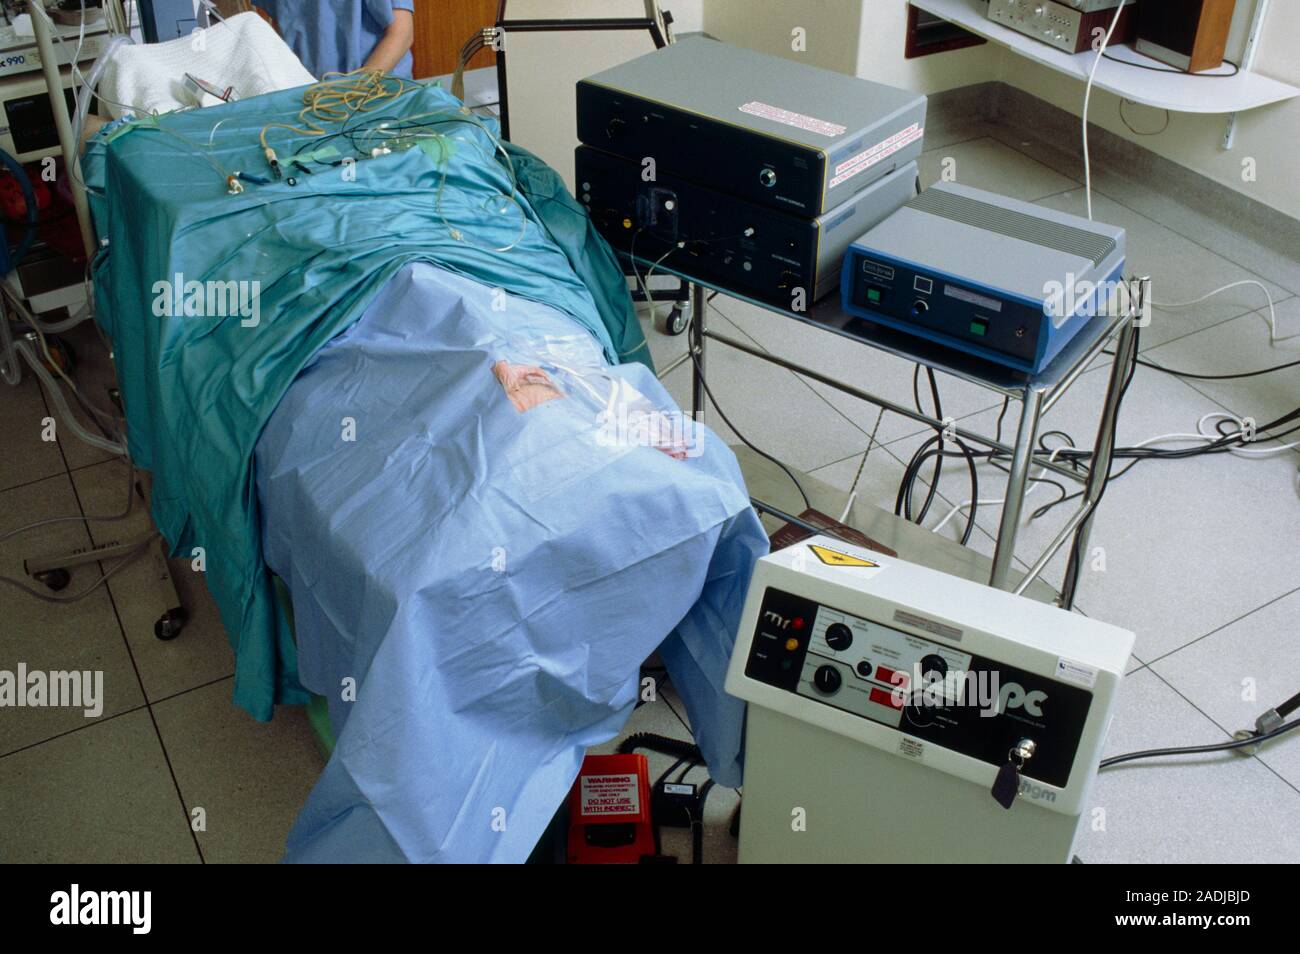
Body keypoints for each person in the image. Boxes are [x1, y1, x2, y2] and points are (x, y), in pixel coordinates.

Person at [251, 0, 416, 79]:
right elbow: (281, 24)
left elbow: (401, 33)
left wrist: (355, 89)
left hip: (378, 89)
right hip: (311, 95)